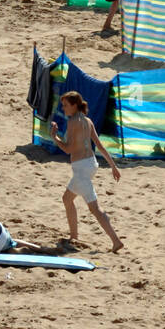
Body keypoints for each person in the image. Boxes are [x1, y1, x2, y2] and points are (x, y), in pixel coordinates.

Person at [49, 91, 123, 252]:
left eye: (66, 105)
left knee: (94, 208)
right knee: (67, 198)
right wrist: (113, 166)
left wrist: (55, 138)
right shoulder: (87, 121)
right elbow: (100, 146)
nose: (64, 108)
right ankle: (74, 236)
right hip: (90, 164)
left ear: (74, 105)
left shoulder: (73, 122)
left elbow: (68, 149)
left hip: (81, 168)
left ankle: (116, 241)